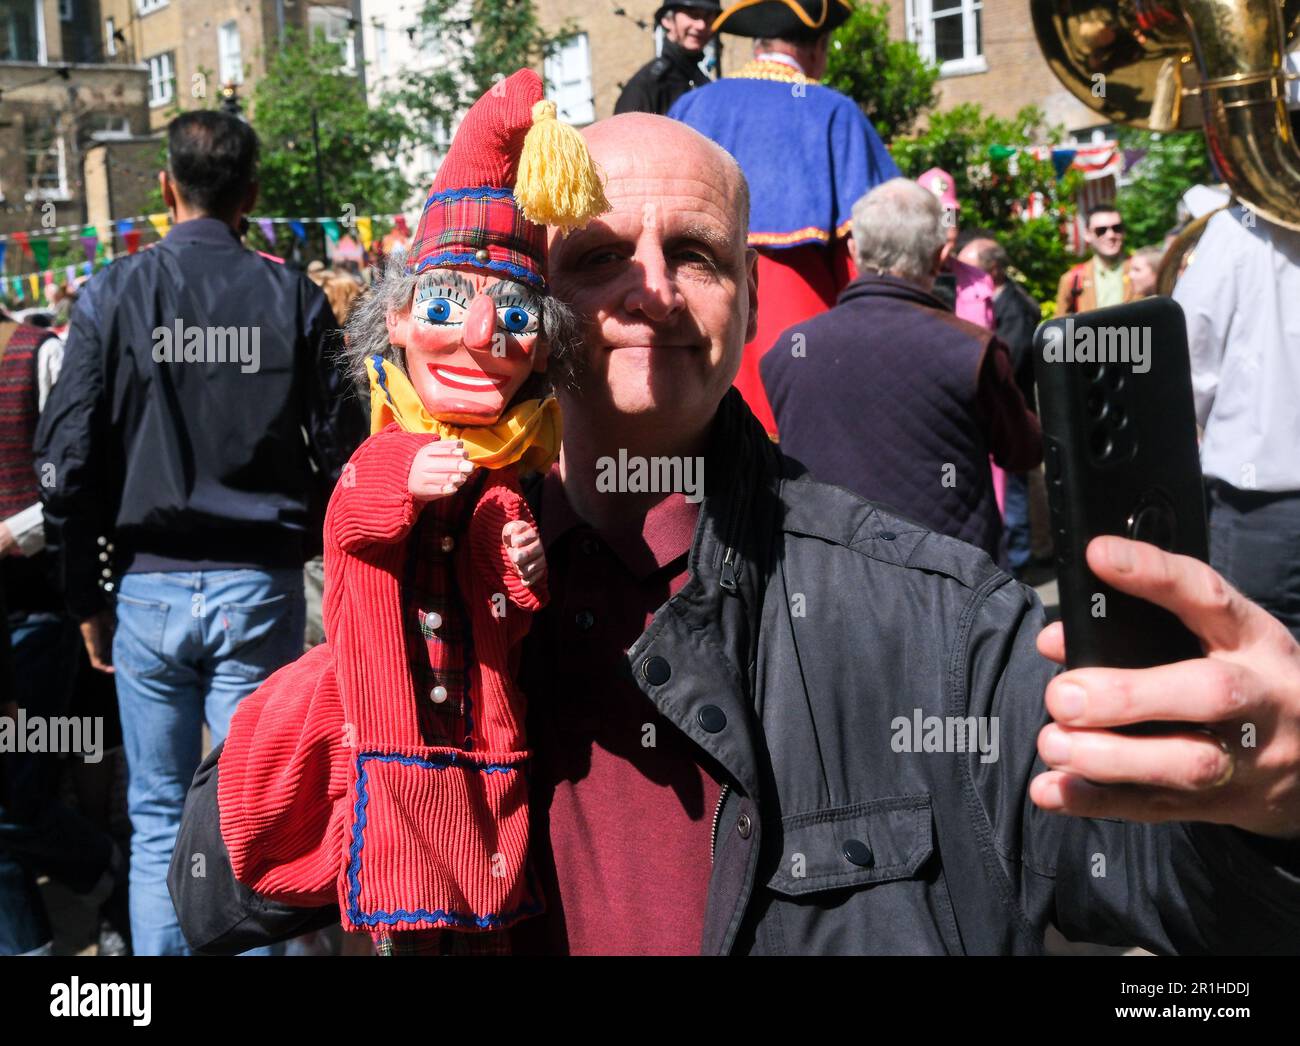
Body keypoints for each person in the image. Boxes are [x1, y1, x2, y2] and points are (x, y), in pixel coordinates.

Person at [172, 114, 1300, 956]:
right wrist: (395, 636)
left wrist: (1266, 804)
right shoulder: (430, 583)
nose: (651, 289)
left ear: (750, 307)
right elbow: (220, 887)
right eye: (597, 255)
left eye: (697, 255)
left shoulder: (935, 619)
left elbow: (1148, 876)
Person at [214, 70, 601, 955]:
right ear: (395, 324)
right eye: (442, 308)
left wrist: (520, 566)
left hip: (476, 737)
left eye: (513, 318)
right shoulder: (386, 451)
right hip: (385, 743)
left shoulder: (508, 470)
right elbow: (350, 519)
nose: (480, 340)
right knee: (398, 918)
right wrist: (401, 484)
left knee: (476, 907)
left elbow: (508, 592)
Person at [34, 109, 366, 955]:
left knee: (156, 821)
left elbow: (66, 456)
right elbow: (347, 451)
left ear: (166, 190)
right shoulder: (288, 292)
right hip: (255, 585)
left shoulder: (113, 291)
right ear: (251, 195)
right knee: (252, 814)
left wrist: (85, 595)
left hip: (147, 588)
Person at [761, 179, 1041, 564]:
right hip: (955, 591)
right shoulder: (972, 349)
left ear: (855, 250)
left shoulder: (786, 353)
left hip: (828, 590)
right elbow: (1024, 450)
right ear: (940, 255)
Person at [668, 0, 898, 436]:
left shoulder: (692, 106)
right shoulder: (833, 110)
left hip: (697, 318)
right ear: (817, 47)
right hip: (806, 318)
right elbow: (872, 252)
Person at [0, 311, 128, 955]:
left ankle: (107, 876)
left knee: (17, 793)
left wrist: (12, 534)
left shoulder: (40, 356)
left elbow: (77, 483)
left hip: (41, 607)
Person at [1173, 204, 1300, 641]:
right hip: (1266, 514)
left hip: (1262, 516)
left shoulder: (1235, 230)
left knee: (1256, 675)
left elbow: (1183, 368)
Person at [958, 233, 1044, 576]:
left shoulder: (1015, 307)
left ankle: (1018, 569)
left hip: (1011, 421)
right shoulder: (987, 303)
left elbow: (1012, 359)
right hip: (991, 421)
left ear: (993, 269)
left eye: (970, 268)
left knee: (1014, 498)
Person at [918, 168, 994, 330]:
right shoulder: (901, 278)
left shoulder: (976, 280)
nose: (945, 230)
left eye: (949, 217)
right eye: (933, 217)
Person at [615, 2, 720, 116]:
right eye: (693, 15)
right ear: (668, 20)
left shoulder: (703, 81)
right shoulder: (648, 85)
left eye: (708, 17)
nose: (701, 25)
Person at [1055, 201, 1133, 315]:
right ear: (1087, 234)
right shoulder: (1073, 279)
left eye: (1117, 228)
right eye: (1101, 230)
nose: (1110, 235)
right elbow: (1060, 327)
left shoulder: (1144, 270)